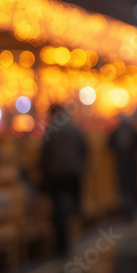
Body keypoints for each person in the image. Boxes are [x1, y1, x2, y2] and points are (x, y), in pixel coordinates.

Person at [40, 104, 87, 254]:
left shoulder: (51, 131)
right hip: (73, 173)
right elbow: (84, 149)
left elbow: (44, 155)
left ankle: (61, 244)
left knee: (58, 209)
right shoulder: (74, 129)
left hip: (56, 175)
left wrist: (44, 173)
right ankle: (73, 238)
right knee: (72, 207)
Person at [108, 114, 137, 221]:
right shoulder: (132, 130)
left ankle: (128, 210)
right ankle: (132, 210)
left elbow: (109, 145)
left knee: (125, 188)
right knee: (132, 187)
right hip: (132, 164)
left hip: (121, 164)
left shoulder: (115, 132)